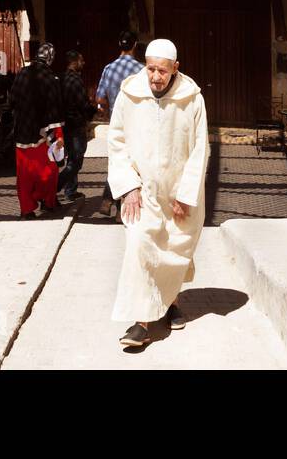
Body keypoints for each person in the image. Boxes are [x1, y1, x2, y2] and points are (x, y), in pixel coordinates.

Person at [106, 38, 209, 348]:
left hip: (179, 191)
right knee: (140, 247)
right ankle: (141, 322)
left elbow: (200, 149)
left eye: (162, 71)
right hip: (144, 191)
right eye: (150, 69)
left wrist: (186, 193)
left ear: (175, 68)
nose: (155, 77)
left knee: (176, 249)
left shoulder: (192, 99)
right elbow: (117, 141)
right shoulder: (129, 94)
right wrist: (129, 188)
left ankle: (172, 303)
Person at [9, 42, 62, 219]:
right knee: (49, 170)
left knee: (24, 174)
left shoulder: (22, 73)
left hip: (22, 132)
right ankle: (47, 200)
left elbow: (13, 100)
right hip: (43, 133)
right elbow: (54, 108)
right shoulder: (50, 77)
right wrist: (55, 135)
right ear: (51, 58)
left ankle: (26, 210)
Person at [95, 31, 143, 218]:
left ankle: (108, 201)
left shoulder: (109, 68)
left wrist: (109, 106)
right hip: (137, 124)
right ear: (135, 45)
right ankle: (119, 212)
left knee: (116, 161)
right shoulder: (141, 69)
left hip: (116, 122)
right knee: (133, 165)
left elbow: (99, 98)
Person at [57, 50, 96, 204]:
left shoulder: (61, 78)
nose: (83, 63)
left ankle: (70, 191)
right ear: (74, 62)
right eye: (81, 60)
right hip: (75, 125)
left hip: (63, 125)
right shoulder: (75, 80)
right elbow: (83, 103)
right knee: (76, 161)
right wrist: (94, 111)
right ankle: (55, 186)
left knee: (71, 158)